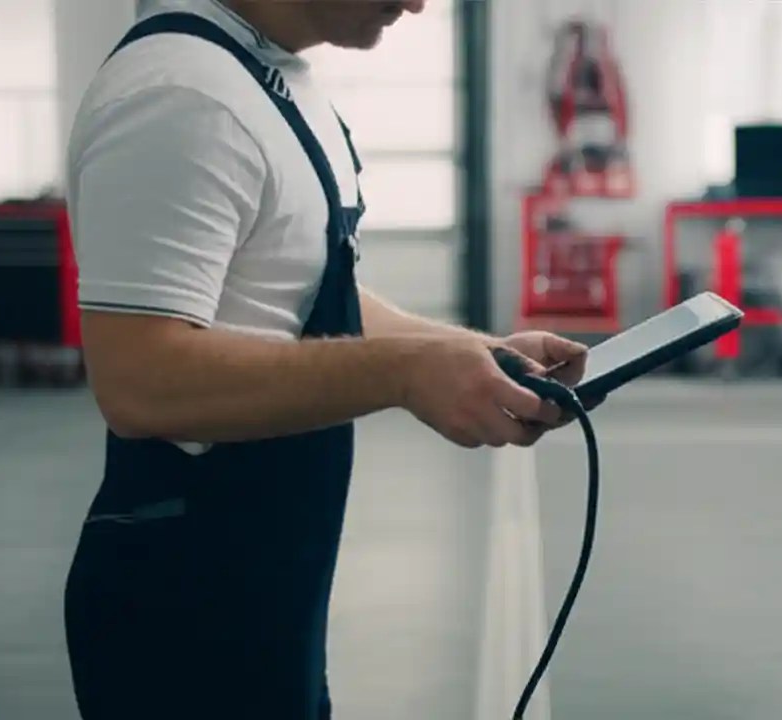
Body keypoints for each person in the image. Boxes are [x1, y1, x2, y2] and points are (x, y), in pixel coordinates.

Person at [61, 1, 587, 718]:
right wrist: (403, 374)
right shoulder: (179, 96)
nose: (418, 2)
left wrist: (462, 350)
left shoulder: (269, 80)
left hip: (266, 589)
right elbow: (139, 382)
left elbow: (301, 287)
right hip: (183, 604)